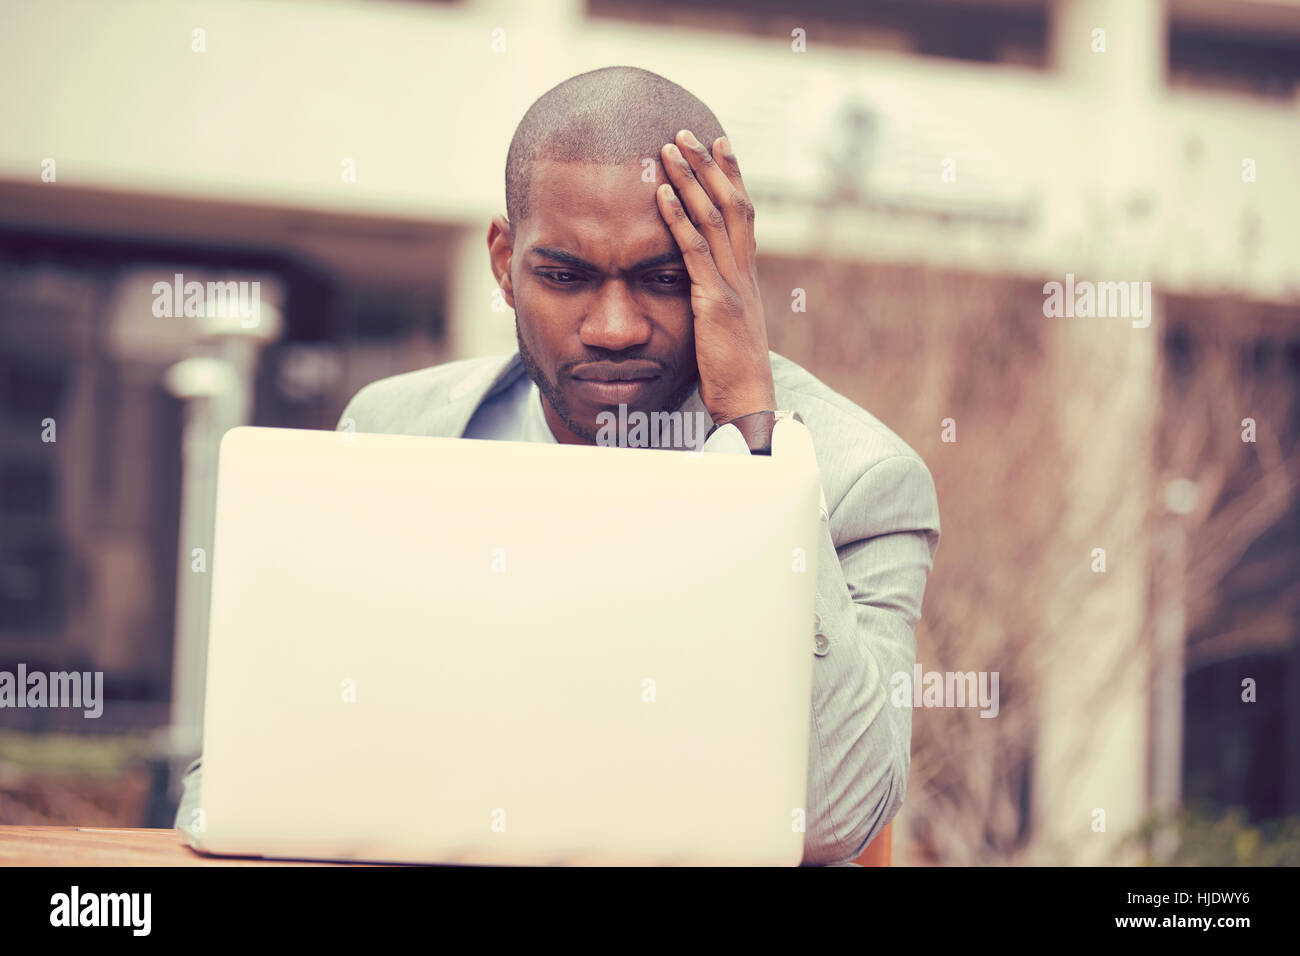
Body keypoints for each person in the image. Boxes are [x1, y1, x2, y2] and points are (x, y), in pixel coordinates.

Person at [177, 65, 940, 867]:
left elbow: (838, 816)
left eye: (663, 278)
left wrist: (754, 432)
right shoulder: (392, 431)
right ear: (505, 263)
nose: (613, 328)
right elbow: (236, 772)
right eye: (566, 276)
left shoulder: (862, 483)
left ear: (729, 272)